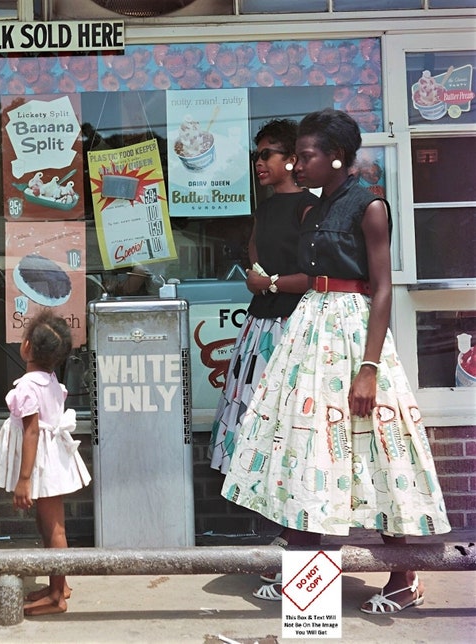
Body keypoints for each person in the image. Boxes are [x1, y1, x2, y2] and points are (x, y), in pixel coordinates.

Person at [221, 108, 450, 613]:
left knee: (380, 446)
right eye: (297, 156)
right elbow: (308, 276)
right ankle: (311, 584)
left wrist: (369, 367)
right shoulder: (313, 209)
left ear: (337, 158)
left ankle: (404, 577)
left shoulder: (369, 207)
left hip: (352, 334)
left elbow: (383, 288)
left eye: (307, 156)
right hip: (310, 329)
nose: (299, 165)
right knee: (310, 450)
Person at [210, 119, 318, 474]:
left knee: (290, 414)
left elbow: (319, 276)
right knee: (256, 411)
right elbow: (254, 249)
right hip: (260, 325)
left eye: (267, 154)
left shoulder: (309, 208)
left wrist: (268, 282)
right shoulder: (266, 208)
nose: (258, 162)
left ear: (291, 159)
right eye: (257, 155)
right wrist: (258, 274)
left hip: (294, 324)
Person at [0, 311, 91, 616]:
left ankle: (57, 596)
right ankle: (59, 583)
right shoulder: (49, 380)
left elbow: (31, 432)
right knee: (48, 525)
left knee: (54, 527)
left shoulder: (27, 387)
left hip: (41, 464)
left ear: (27, 346)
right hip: (52, 459)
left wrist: (24, 479)